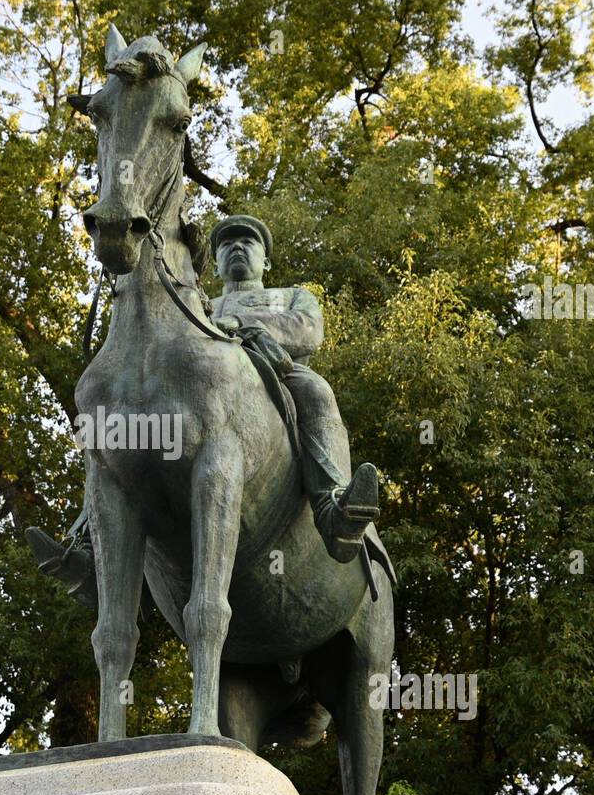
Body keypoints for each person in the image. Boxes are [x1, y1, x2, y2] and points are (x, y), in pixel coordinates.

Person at [28, 214, 391, 606]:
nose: (237, 247)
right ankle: (90, 545)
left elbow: (307, 329)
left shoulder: (289, 295)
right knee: (115, 427)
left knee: (317, 391)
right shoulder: (199, 304)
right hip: (204, 397)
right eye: (226, 244)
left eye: (248, 242)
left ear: (266, 261)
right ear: (214, 263)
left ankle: (331, 506)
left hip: (274, 370)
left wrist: (239, 323)